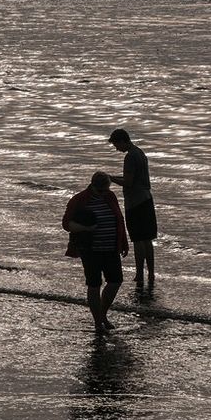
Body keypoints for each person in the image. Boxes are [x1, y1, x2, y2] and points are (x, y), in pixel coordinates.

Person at [62, 171, 129, 333]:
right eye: (100, 190)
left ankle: (102, 315)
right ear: (92, 185)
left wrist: (123, 242)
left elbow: (119, 219)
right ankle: (98, 322)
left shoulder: (110, 196)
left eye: (105, 189)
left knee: (115, 281)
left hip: (111, 248)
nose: (103, 193)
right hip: (90, 249)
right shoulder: (79, 200)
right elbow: (66, 224)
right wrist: (86, 228)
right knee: (94, 284)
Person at [108, 128, 158, 288]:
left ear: (123, 141)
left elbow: (129, 182)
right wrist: (115, 177)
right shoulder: (140, 153)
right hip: (146, 198)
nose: (116, 149)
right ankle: (150, 273)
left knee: (137, 239)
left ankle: (139, 274)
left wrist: (111, 179)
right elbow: (134, 178)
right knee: (147, 239)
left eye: (116, 145)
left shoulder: (130, 157)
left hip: (135, 202)